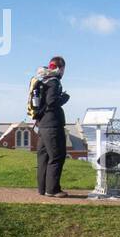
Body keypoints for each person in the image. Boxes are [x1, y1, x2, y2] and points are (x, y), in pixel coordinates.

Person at [27, 57, 71, 197]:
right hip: (52, 124)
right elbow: (51, 101)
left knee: (43, 157)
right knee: (57, 156)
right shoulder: (54, 81)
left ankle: (42, 189)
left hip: (42, 124)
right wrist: (64, 98)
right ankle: (53, 190)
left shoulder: (42, 80)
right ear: (61, 68)